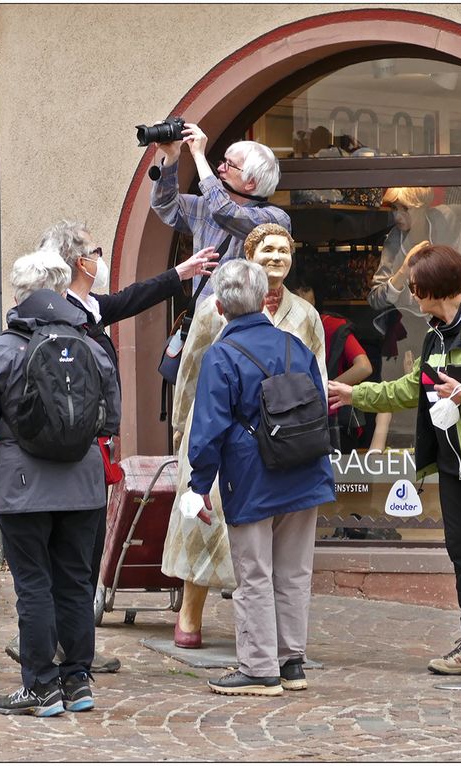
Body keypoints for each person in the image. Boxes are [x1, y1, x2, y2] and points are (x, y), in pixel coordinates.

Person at [0, 219, 217, 673]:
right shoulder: (61, 317)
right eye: (97, 251)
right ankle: (54, 650)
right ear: (80, 261)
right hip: (67, 452)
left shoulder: (84, 307)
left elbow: (132, 298)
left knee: (79, 556)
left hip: (87, 449)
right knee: (63, 559)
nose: (101, 259)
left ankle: (69, 648)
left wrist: (182, 272)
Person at [328, 244, 461, 685]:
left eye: (415, 288)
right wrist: (354, 395)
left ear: (432, 289)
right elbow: (409, 388)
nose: (412, 296)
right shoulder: (436, 334)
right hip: (453, 462)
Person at [0, 250, 121, 717]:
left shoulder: (7, 347)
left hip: (23, 485)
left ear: (19, 293)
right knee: (75, 582)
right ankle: (78, 681)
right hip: (84, 484)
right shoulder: (93, 346)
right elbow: (111, 419)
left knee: (33, 585)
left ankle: (40, 687)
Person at [162, 222, 326, 648]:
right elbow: (191, 371)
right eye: (267, 249)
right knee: (206, 526)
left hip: (285, 438)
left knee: (271, 549)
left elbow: (317, 378)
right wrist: (182, 427)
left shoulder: (305, 314)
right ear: (250, 255)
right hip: (218, 431)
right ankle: (191, 610)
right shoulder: (213, 307)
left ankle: (266, 644)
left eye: (283, 250)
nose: (276, 257)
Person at [185, 259, 334, 696]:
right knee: (293, 573)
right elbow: (318, 403)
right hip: (305, 471)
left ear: (218, 306)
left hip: (252, 476)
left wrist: (197, 486)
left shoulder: (222, 355)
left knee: (254, 574)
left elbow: (208, 429)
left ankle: (257, 667)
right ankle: (291, 662)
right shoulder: (295, 345)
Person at [151, 121, 290, 303]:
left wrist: (199, 156)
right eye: (223, 161)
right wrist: (172, 157)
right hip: (203, 323)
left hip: (240, 327)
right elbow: (164, 204)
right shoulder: (206, 207)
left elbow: (226, 212)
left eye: (229, 165)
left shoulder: (274, 220)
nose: (220, 168)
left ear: (251, 183)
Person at [291, 269, 373, 451]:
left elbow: (364, 367)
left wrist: (326, 388)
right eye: (295, 291)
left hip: (333, 416)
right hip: (297, 418)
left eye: (305, 289)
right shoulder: (282, 329)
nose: (300, 295)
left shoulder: (332, 325)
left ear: (316, 294)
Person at [368, 186, 461, 312]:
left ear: (422, 208)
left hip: (447, 318)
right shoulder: (394, 240)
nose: (397, 216)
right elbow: (376, 300)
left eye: (405, 209)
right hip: (408, 323)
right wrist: (403, 271)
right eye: (394, 208)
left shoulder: (445, 224)